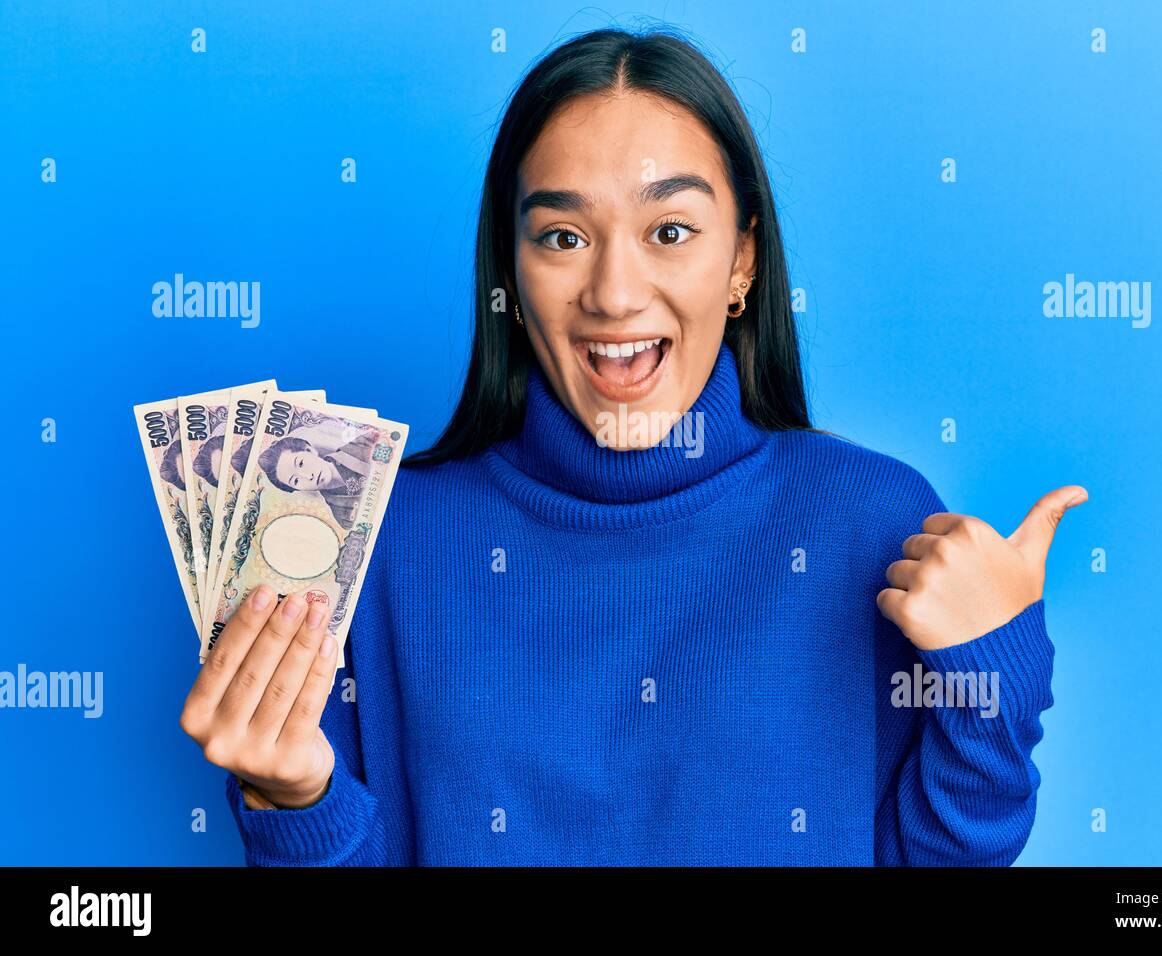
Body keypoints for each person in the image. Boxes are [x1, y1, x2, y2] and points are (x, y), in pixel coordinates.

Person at [179, 27, 1085, 866]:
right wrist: (293, 800)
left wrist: (997, 668)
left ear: (741, 264)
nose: (615, 292)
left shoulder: (869, 522)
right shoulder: (374, 544)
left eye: (670, 231)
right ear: (511, 270)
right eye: (564, 236)